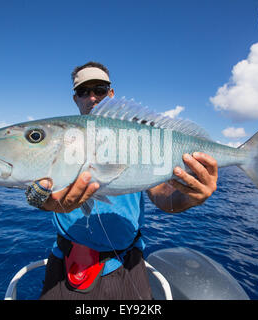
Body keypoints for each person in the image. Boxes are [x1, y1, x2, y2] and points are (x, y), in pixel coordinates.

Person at [30, 62, 218, 300]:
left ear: (111, 93)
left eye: (99, 89)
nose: (92, 97)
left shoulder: (140, 137)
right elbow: (38, 190)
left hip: (126, 264)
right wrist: (40, 199)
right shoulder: (58, 142)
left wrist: (189, 197)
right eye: (83, 91)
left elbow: (165, 198)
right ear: (75, 98)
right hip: (67, 264)